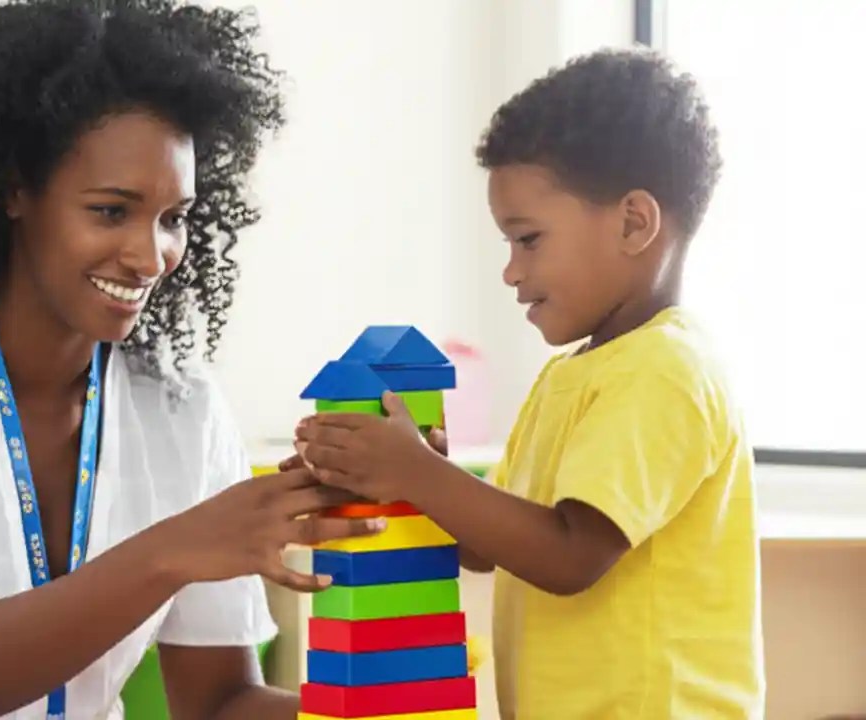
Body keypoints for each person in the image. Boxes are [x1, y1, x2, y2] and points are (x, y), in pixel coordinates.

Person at [0, 1, 382, 718]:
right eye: (110, 211)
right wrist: (177, 549)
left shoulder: (182, 408)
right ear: (14, 190)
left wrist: (363, 714)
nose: (148, 255)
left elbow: (220, 703)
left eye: (174, 219)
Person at [294, 47, 763, 718]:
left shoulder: (665, 370)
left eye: (528, 239)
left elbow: (570, 555)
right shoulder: (573, 376)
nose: (512, 272)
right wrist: (402, 475)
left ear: (633, 222)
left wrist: (417, 473)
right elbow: (493, 546)